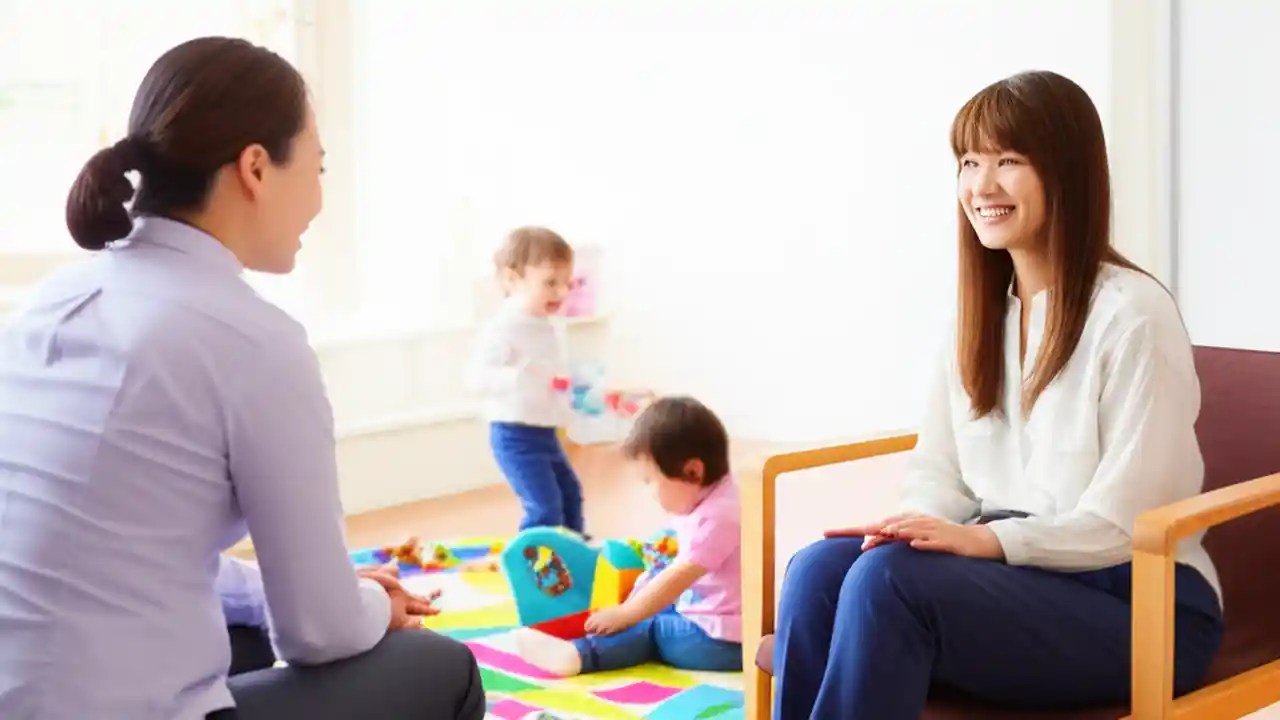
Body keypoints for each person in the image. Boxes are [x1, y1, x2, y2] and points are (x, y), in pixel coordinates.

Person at [0, 37, 483, 720]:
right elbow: (319, 632)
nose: (318, 199)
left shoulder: (50, 301)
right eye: (317, 167)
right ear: (256, 166)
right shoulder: (253, 342)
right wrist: (367, 600)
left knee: (246, 633)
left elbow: (118, 552)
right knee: (442, 669)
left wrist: (306, 591)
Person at [771, 70, 1225, 719]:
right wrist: (912, 529)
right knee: (819, 572)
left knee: (889, 583)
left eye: (1009, 161)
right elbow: (939, 478)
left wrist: (987, 544)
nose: (981, 185)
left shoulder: (1133, 316)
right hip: (1027, 581)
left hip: (1143, 601)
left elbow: (1127, 524)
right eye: (969, 161)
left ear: (1065, 173)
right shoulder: (977, 320)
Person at [515, 396, 743, 676]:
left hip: (720, 641)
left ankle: (580, 655)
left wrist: (627, 613)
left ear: (693, 471)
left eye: (650, 480)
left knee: (648, 624)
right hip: (726, 625)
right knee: (652, 604)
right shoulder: (722, 495)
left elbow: (677, 577)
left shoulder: (716, 518)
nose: (649, 492)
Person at [465, 227, 586, 535]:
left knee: (570, 496)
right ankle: (535, 566)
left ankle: (576, 557)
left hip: (545, 432)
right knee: (544, 506)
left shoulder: (545, 326)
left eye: (565, 283)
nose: (560, 292)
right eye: (550, 283)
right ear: (512, 279)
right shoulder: (502, 327)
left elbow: (551, 380)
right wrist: (517, 377)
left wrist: (573, 393)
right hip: (514, 435)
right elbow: (476, 378)